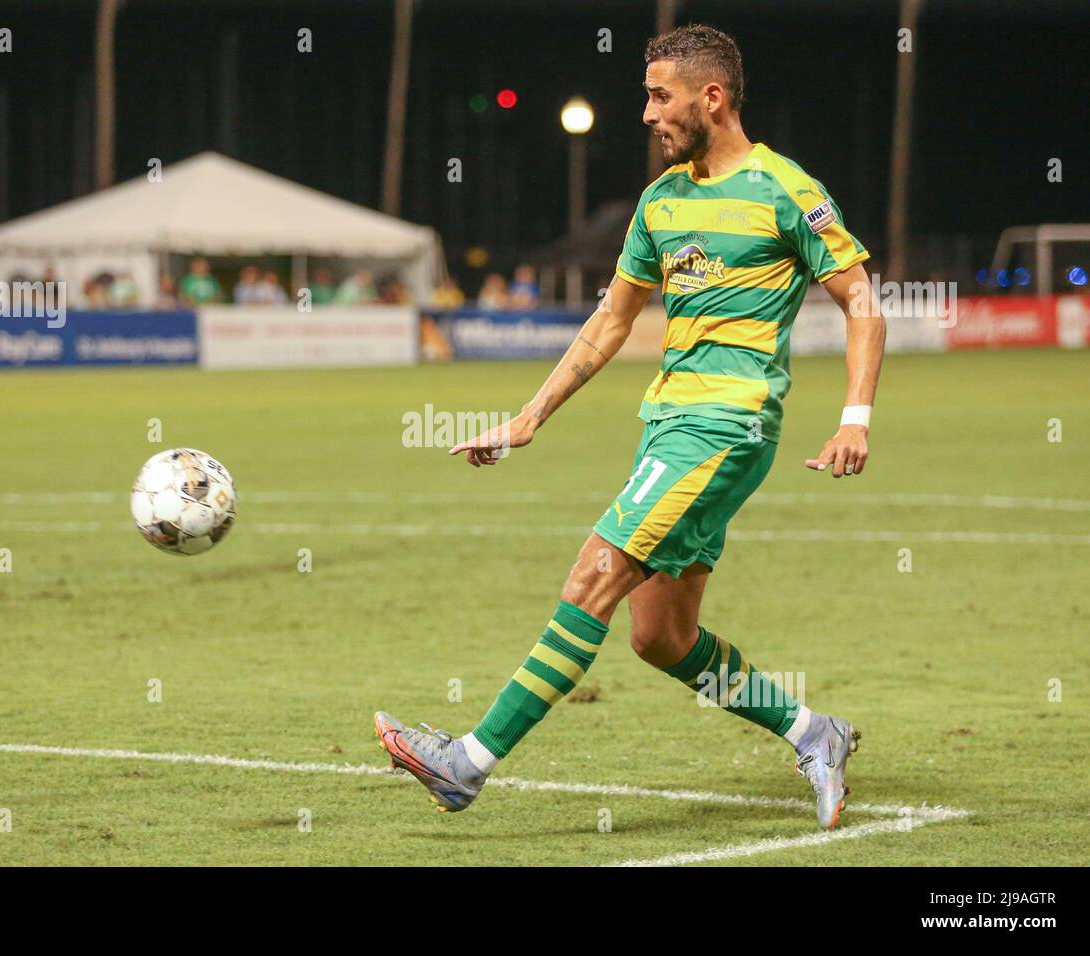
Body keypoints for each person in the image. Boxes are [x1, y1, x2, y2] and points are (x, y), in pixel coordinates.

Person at [375, 24, 885, 831]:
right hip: (668, 424)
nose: (647, 113)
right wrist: (529, 417)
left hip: (727, 423)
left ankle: (465, 764)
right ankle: (812, 732)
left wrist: (853, 418)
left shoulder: (785, 189)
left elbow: (860, 300)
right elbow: (611, 321)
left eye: (659, 96)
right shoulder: (661, 201)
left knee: (595, 574)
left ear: (710, 97)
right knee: (660, 637)